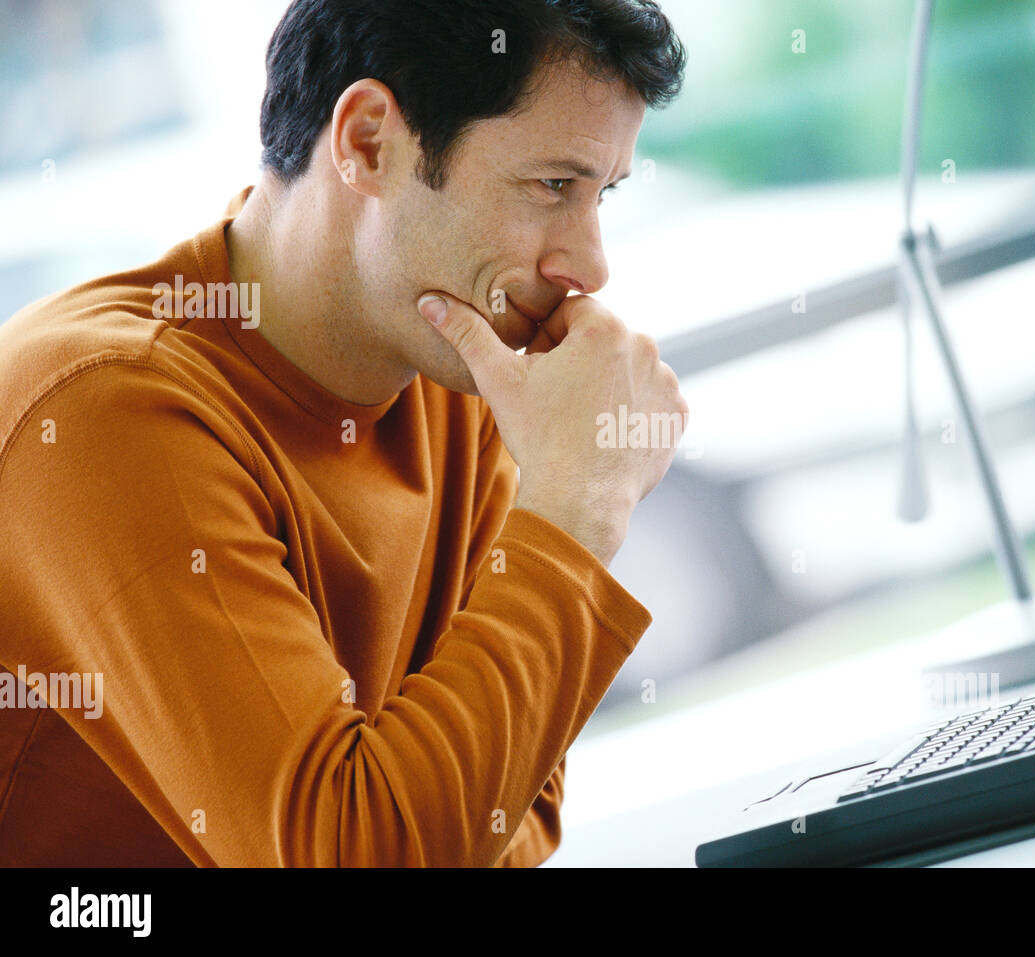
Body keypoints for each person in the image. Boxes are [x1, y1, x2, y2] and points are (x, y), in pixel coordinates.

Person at [0, 0, 687, 866]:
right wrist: (576, 510)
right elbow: (358, 853)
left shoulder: (453, 371)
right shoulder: (100, 411)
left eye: (602, 194)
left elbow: (506, 817)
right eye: (553, 186)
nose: (590, 265)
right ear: (367, 142)